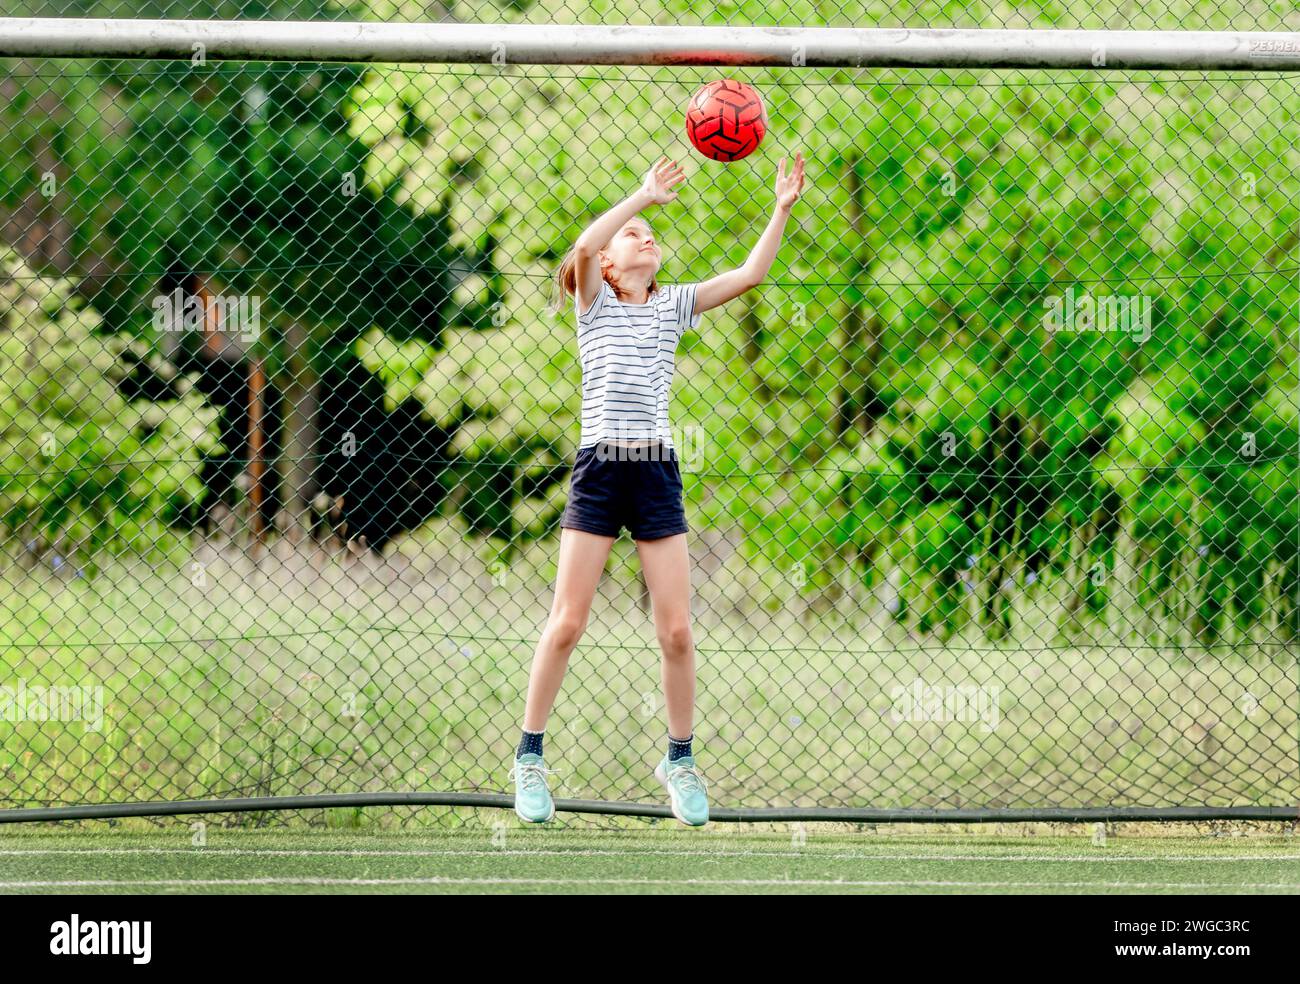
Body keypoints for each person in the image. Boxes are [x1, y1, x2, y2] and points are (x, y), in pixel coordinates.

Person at [509, 151, 807, 826]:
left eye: (649, 235)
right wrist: (641, 197)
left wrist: (781, 208)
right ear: (611, 267)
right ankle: (529, 756)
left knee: (676, 631)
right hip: (599, 470)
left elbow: (752, 273)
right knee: (568, 622)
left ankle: (678, 761)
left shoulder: (673, 306)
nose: (645, 239)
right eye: (632, 238)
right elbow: (584, 243)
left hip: (654, 474)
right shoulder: (593, 304)